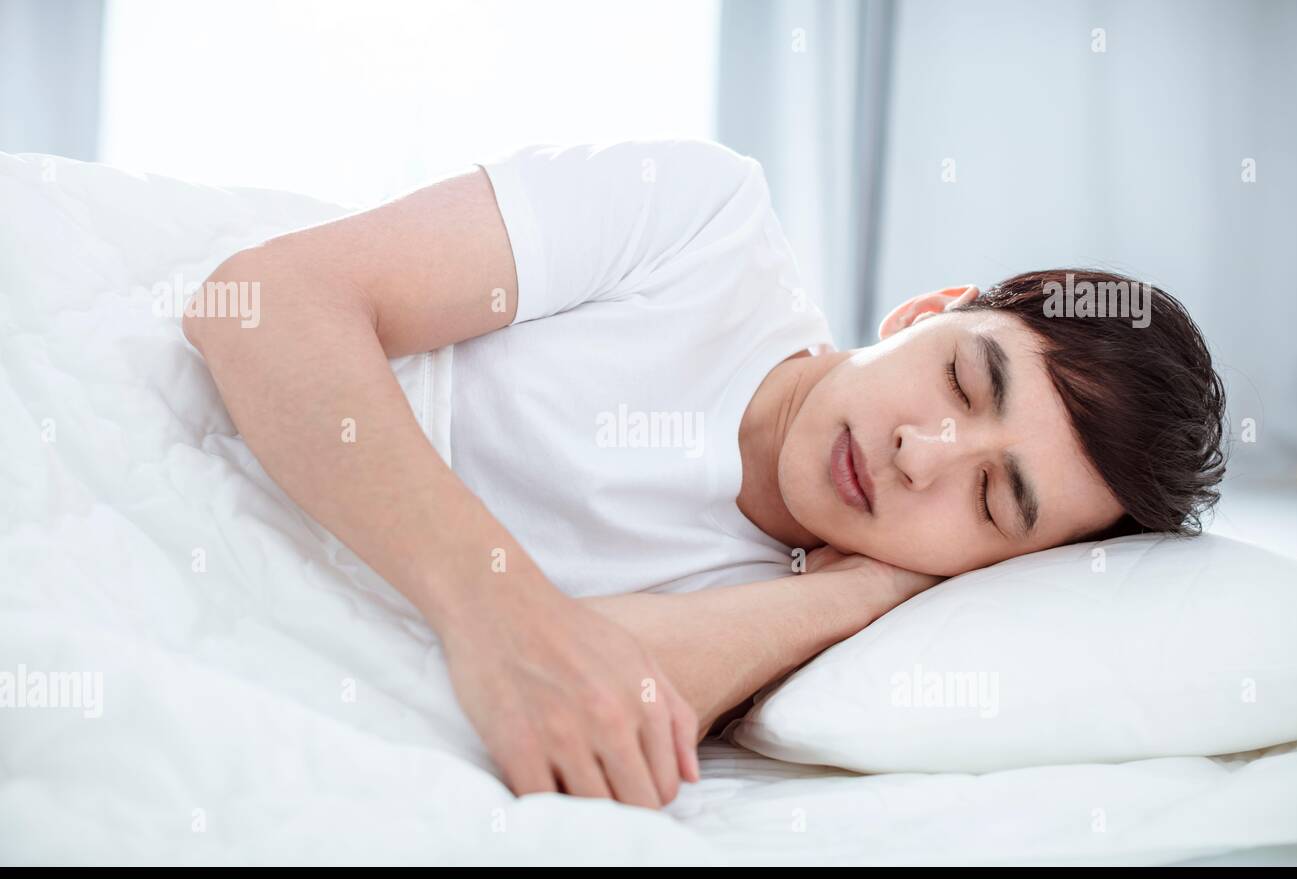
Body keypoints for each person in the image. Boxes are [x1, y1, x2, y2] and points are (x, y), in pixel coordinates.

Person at [182, 139, 1226, 811]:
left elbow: (598, 712)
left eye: (991, 502)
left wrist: (867, 588)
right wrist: (494, 606)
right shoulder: (703, 224)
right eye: (961, 377)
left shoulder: (802, 618)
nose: (923, 453)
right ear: (922, 312)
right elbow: (267, 300)